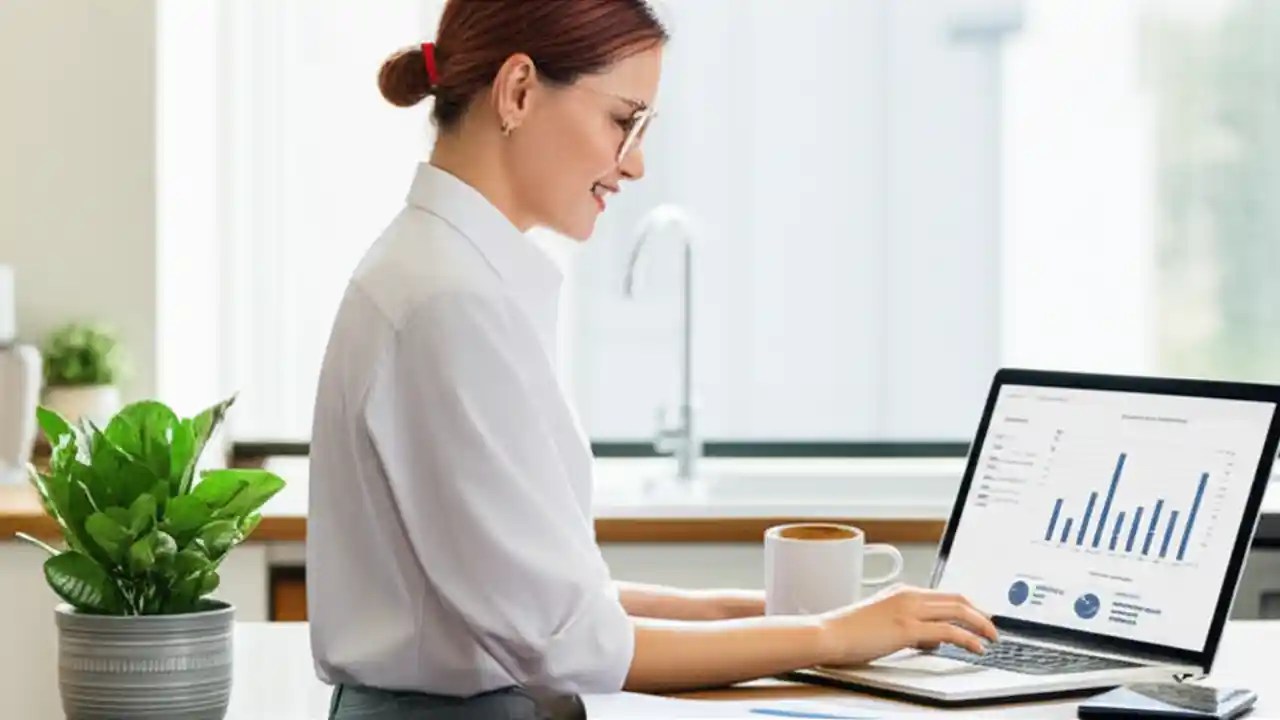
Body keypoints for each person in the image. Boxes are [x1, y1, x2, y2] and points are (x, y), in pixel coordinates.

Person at [306, 1, 998, 717]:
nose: (634, 163)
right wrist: (826, 634)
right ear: (517, 92)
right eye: (623, 120)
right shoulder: (445, 301)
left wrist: (770, 614)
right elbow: (571, 640)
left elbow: (550, 603)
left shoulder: (446, 276)